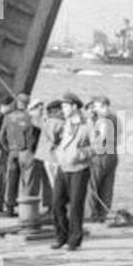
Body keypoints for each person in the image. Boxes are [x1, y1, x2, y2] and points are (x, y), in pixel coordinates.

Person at [50, 93, 94, 251]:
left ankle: (74, 239)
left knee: (76, 205)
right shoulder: (65, 123)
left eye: (65, 106)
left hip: (79, 169)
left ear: (74, 106)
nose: (63, 109)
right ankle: (61, 236)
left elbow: (99, 147)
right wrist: (58, 154)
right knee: (56, 203)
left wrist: (79, 154)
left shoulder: (88, 124)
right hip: (63, 168)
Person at [0, 93, 38, 214]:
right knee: (28, 182)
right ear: (27, 104)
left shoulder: (7, 117)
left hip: (12, 152)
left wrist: (8, 149)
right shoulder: (29, 117)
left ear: (17, 102)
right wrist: (31, 150)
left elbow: (1, 136)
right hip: (25, 152)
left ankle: (9, 208)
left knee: (11, 180)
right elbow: (32, 137)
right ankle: (26, 210)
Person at [86, 96, 118, 222]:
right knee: (107, 187)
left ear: (102, 106)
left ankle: (92, 215)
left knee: (92, 186)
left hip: (100, 155)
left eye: (96, 106)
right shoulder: (114, 117)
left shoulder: (102, 120)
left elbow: (99, 139)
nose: (94, 109)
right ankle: (103, 213)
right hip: (112, 154)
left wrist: (90, 123)